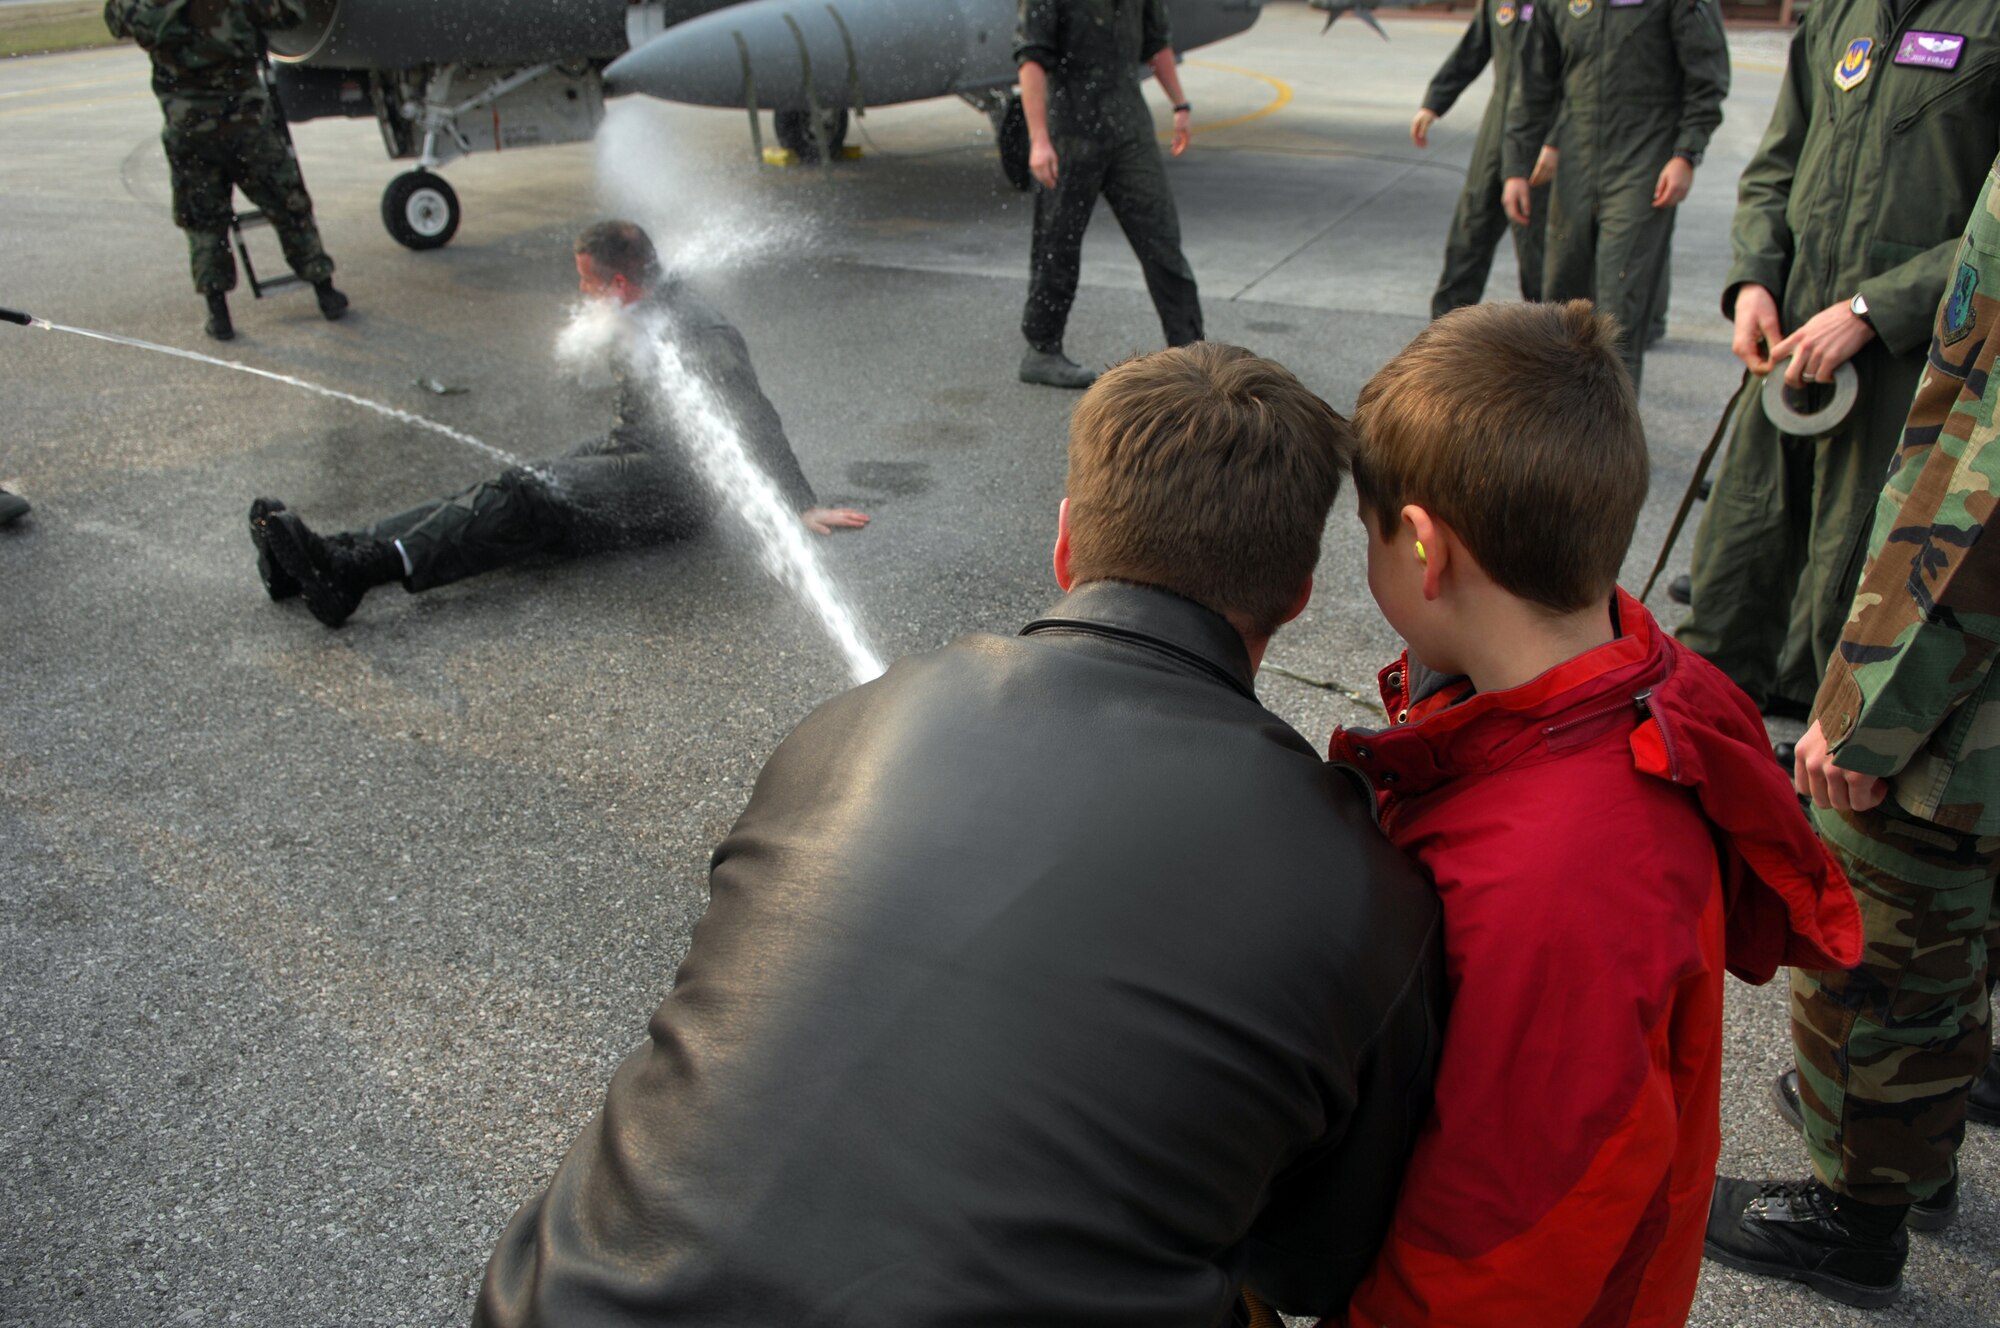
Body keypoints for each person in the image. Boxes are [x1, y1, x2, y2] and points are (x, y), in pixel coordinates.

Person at [472, 344, 1444, 1326]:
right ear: (1297, 594)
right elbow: (1314, 1265)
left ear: (1065, 542)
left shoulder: (848, 726)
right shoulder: (1357, 882)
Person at [1327, 301, 1862, 1328]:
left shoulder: (1559, 878)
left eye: (1369, 533)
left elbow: (1502, 1245)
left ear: (1423, 549)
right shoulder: (1619, 681)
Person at [1703, 154, 2000, 1310]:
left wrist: (1866, 707)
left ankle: (1852, 1210)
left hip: (1959, 666)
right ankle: (1912, 1158)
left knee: (1884, 924)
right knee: (1961, 924)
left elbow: (1983, 478)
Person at [248, 221, 868, 628]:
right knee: (509, 487)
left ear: (620, 284)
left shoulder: (699, 333)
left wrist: (800, 504)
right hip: (637, 453)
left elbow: (754, 415)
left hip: (677, 492)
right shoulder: (645, 301)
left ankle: (356, 576)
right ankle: (335, 551)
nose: (581, 292)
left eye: (588, 283)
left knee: (527, 492)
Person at [1675, 2, 2000, 720]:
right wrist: (1755, 278)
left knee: (1856, 589)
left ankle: (1828, 790)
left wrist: (1874, 310)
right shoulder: (1838, 13)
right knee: (1736, 569)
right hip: (1791, 351)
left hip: (1911, 363)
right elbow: (1777, 163)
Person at [1500, 0, 1728, 391]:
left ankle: (1614, 438)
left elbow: (1706, 79)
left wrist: (1686, 153)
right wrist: (1516, 168)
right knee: (1559, 307)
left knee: (1619, 311)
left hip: (1643, 163)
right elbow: (1535, 83)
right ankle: (1556, 432)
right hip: (1575, 163)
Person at [104, 0, 348, 341]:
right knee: (288, 205)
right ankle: (326, 292)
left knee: (204, 221)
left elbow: (115, 21)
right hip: (246, 126)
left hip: (189, 131)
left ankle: (218, 314)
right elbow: (292, 14)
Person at [1015, 0, 1203, 390]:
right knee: (1057, 244)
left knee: (1163, 241)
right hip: (1071, 128)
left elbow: (1156, 44)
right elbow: (1032, 60)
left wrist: (1179, 103)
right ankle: (1042, 349)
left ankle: (1192, 354)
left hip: (1129, 128)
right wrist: (1038, 141)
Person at [1416, 0, 1551, 319]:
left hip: (1544, 134)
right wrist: (1434, 102)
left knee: (1540, 249)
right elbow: (1472, 49)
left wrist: (1557, 140)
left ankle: (1553, 340)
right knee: (1471, 229)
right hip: (1498, 126)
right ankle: (1446, 333)